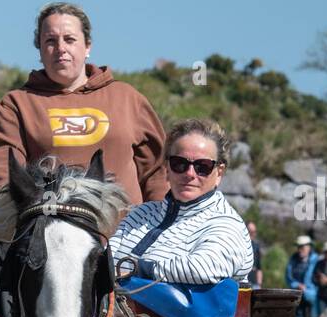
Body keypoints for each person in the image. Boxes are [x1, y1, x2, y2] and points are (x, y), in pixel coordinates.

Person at [0, 2, 168, 206]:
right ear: (40, 48)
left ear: (87, 46)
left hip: (128, 234)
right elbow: (6, 185)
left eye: (70, 39)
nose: (60, 48)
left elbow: (157, 175)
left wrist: (164, 227)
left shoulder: (127, 98)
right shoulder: (15, 105)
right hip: (49, 232)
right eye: (50, 40)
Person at [108, 118, 253, 285]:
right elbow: (104, 261)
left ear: (219, 173)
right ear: (167, 168)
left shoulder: (226, 223)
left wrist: (138, 269)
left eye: (202, 166)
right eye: (180, 163)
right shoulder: (140, 214)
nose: (190, 173)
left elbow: (204, 268)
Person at [285, 235, 319, 317]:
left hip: (313, 295)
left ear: (309, 247)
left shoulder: (316, 259)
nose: (300, 249)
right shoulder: (293, 260)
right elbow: (289, 277)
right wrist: (297, 285)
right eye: (298, 247)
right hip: (298, 294)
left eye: (302, 247)